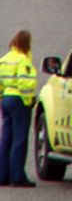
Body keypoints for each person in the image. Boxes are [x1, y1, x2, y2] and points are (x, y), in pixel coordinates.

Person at [0, 30, 37, 188]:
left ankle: (2, 175)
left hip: (6, 99)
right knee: (19, 139)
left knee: (6, 138)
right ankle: (17, 176)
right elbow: (25, 82)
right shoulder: (23, 60)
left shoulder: (5, 59)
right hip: (19, 101)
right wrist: (28, 100)